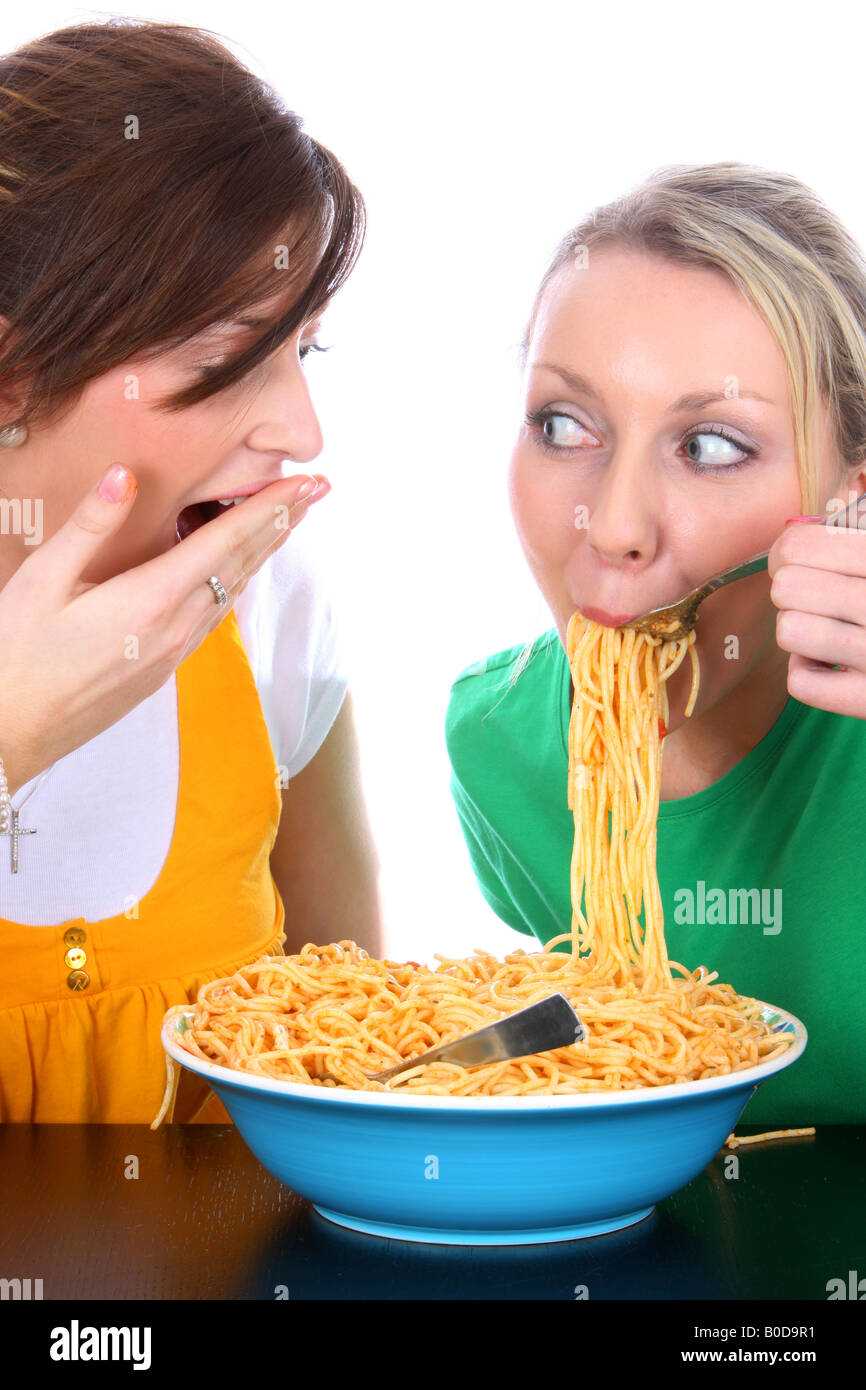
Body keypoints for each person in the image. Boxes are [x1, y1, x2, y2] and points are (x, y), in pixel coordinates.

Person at [0, 20, 382, 1122]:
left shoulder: (277, 610)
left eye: (303, 351)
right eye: (226, 363)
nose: (303, 433)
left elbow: (356, 1059)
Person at [445, 161, 866, 1126]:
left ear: (853, 499)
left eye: (712, 446)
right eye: (564, 424)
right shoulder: (495, 744)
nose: (614, 525)